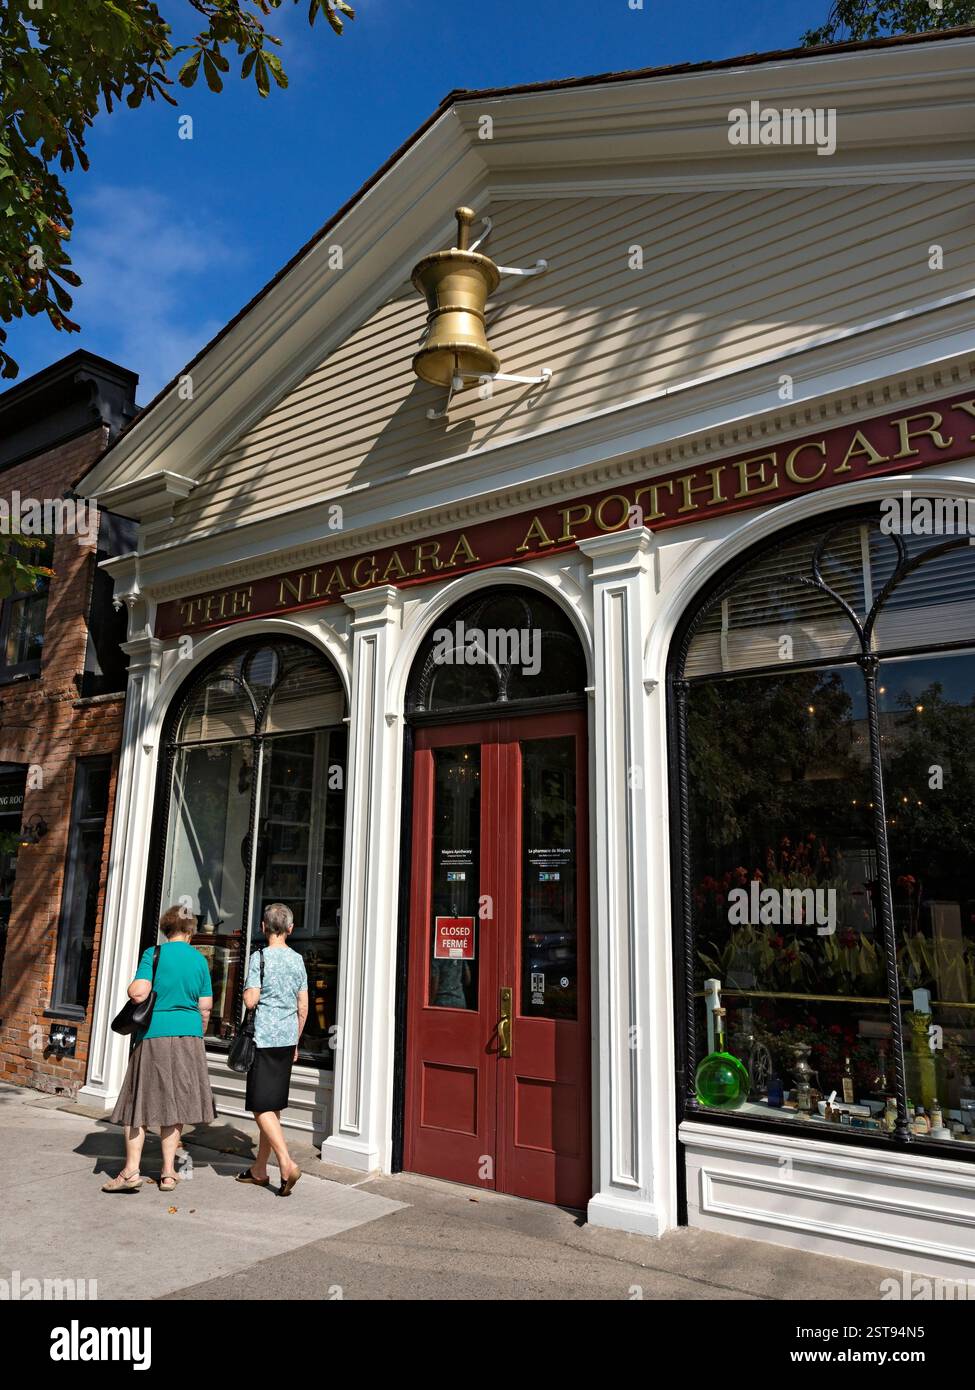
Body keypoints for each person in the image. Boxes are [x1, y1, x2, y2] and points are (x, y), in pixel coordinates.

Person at [102, 905, 215, 1193]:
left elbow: (137, 993)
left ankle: (131, 1171)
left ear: (167, 929)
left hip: (155, 1034)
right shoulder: (199, 960)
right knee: (174, 1105)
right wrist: (197, 1032)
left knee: (138, 1103)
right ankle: (168, 1173)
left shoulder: (154, 953)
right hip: (189, 1036)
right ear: (190, 931)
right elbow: (206, 1007)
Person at [236, 902, 307, 1196]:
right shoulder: (298, 960)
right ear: (290, 929)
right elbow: (303, 1006)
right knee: (272, 1106)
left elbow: (251, 1001)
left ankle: (286, 1163)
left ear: (263, 928)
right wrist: (296, 1041)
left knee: (260, 1105)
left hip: (264, 1039)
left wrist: (247, 990)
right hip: (287, 1039)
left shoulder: (259, 958)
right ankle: (259, 1170)